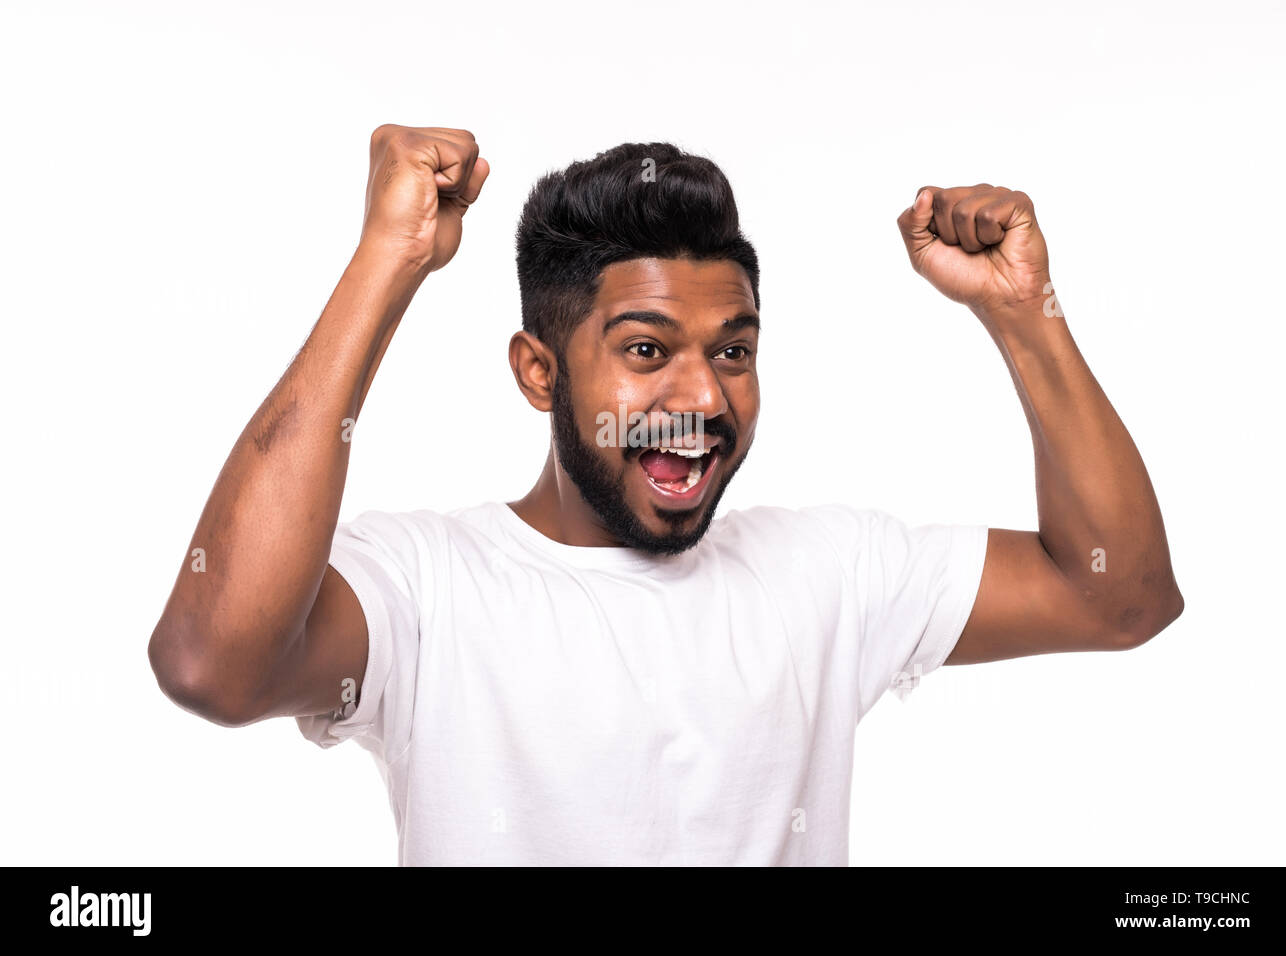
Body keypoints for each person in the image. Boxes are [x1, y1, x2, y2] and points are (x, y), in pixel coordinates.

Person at [148, 124, 1183, 865]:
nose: (701, 394)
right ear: (538, 371)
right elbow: (213, 662)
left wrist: (1024, 315)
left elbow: (1118, 594)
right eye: (645, 349)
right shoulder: (427, 587)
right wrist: (388, 260)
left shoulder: (826, 573)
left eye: (732, 350)